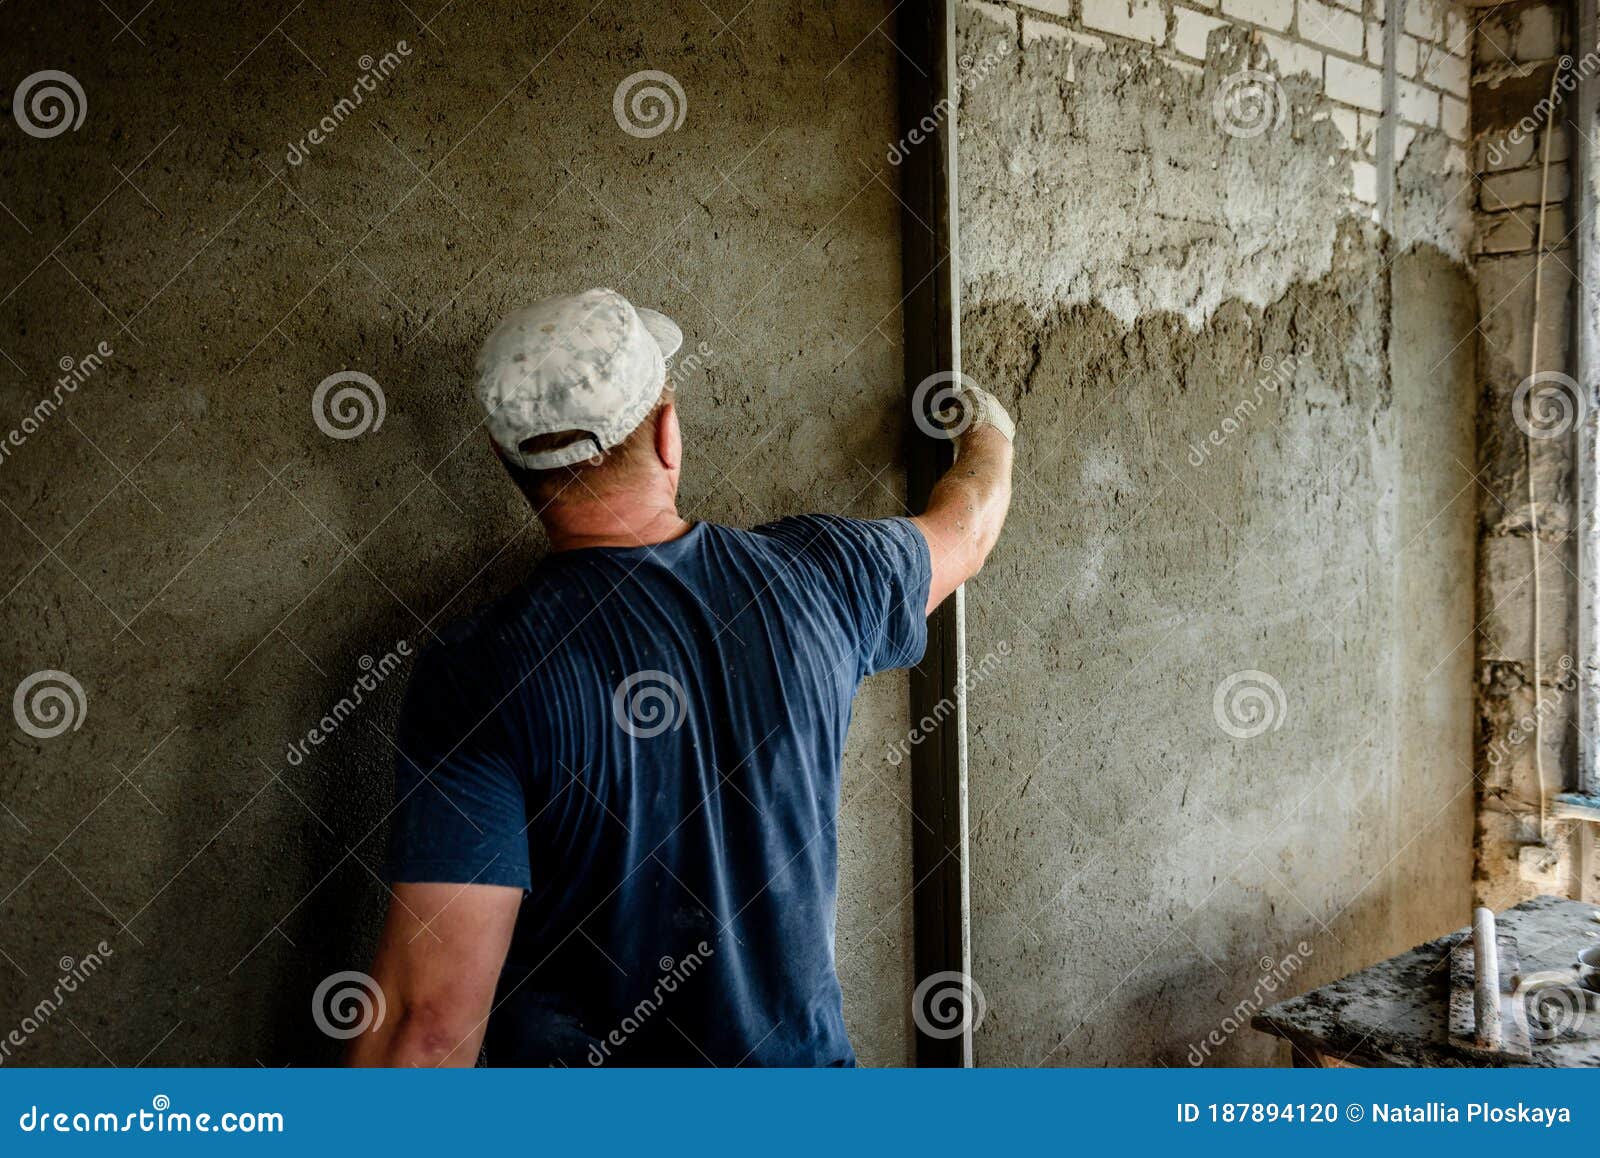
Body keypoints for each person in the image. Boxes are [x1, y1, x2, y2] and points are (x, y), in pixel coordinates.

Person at [347, 288, 1014, 1066]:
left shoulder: (474, 673)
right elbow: (966, 530)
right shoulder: (823, 579)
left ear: (510, 464)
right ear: (668, 433)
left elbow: (426, 1031)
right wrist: (990, 435)